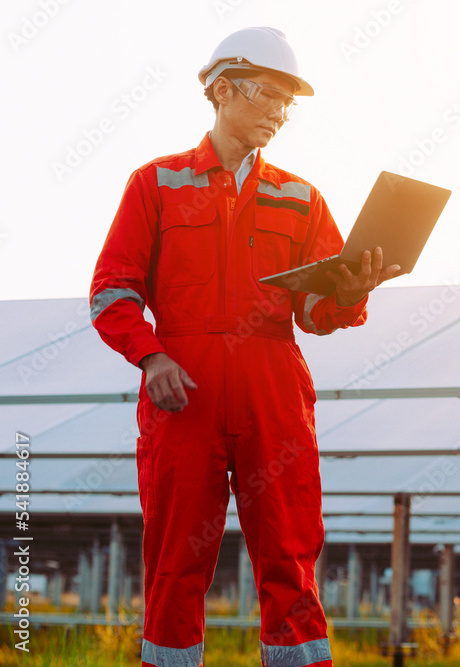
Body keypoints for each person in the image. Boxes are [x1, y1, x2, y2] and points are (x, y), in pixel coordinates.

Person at [89, 26, 397, 667]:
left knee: (290, 557)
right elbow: (112, 291)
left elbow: (314, 312)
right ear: (222, 90)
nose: (281, 115)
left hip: (273, 390)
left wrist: (351, 290)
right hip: (185, 393)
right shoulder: (157, 184)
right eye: (269, 97)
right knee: (175, 562)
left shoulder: (302, 197)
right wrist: (151, 356)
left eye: (290, 104)